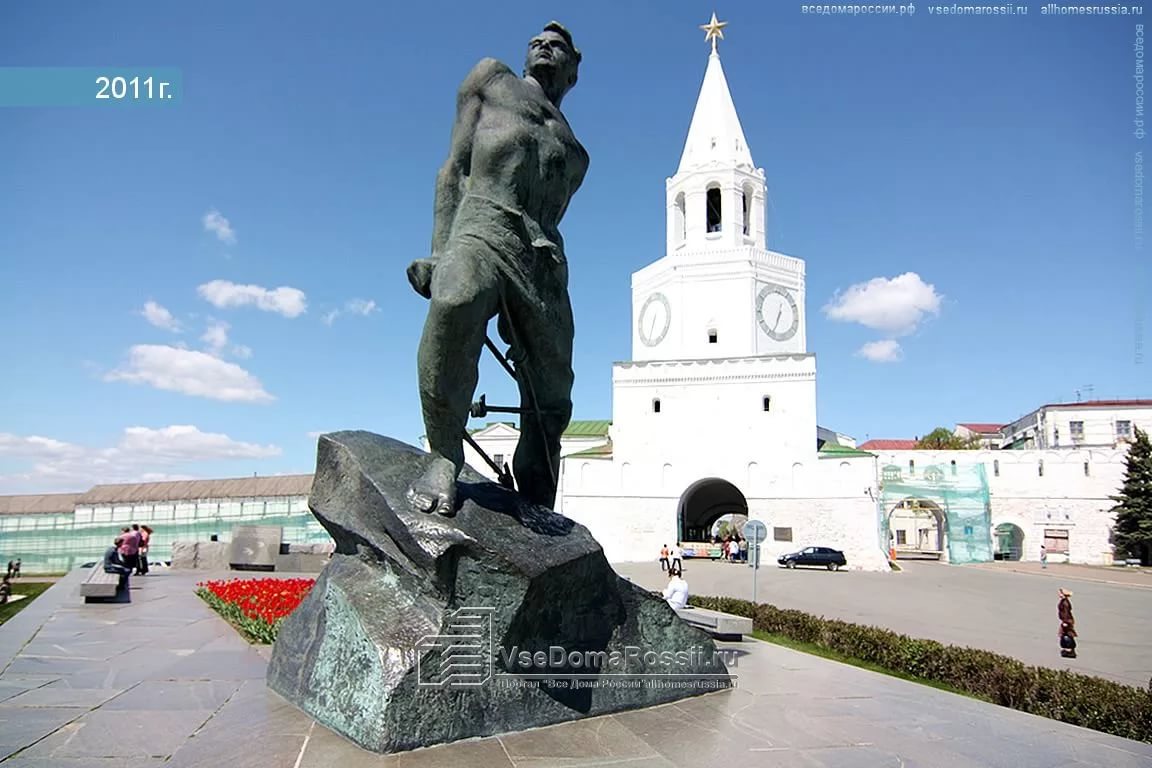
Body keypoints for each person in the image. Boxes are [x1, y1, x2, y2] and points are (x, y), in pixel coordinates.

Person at [405, 21, 589, 517]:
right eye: (538, 42)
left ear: (574, 70)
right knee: (455, 302)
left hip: (543, 259)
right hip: (483, 224)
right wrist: (440, 250)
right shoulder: (491, 80)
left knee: (553, 396)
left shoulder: (576, 153)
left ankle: (538, 495)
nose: (544, 47)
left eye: (558, 47)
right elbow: (455, 168)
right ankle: (444, 455)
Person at [1058, 588, 1077, 658]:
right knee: (1066, 634)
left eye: (1060, 593)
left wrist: (1065, 622)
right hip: (1066, 620)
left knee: (1067, 634)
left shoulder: (1065, 603)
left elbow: (1066, 612)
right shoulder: (1064, 601)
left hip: (1067, 620)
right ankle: (1068, 649)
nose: (1059, 594)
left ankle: (1069, 650)